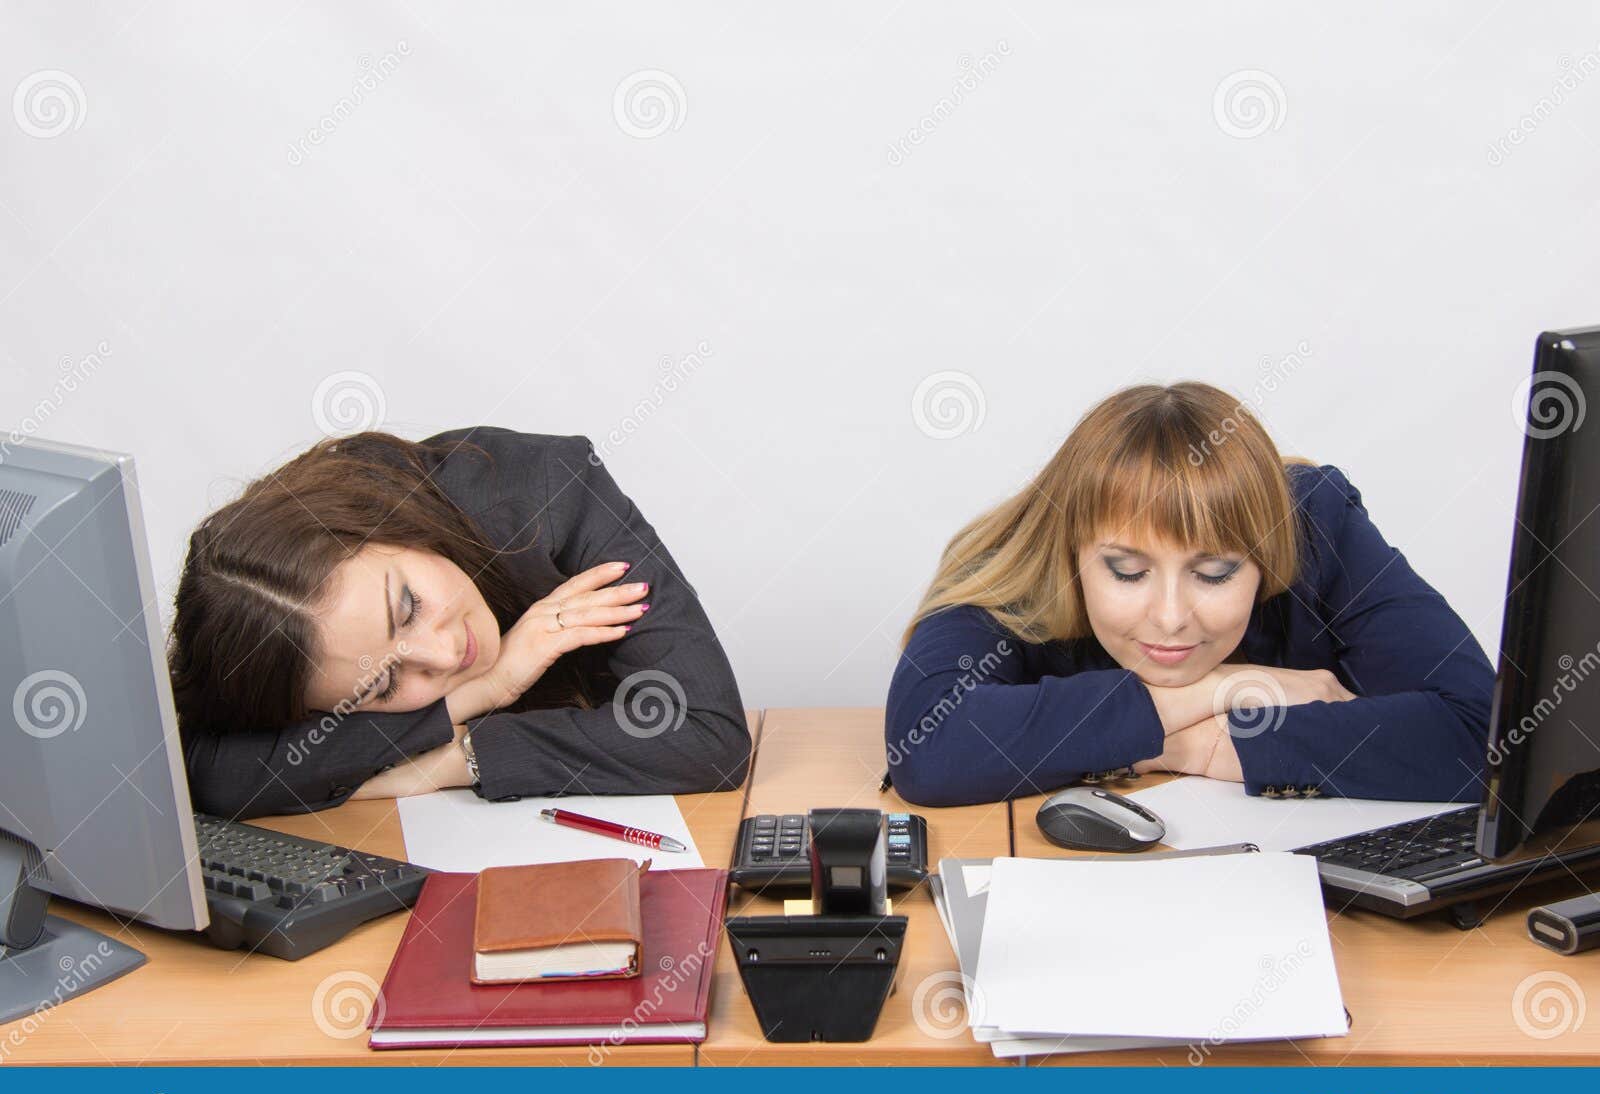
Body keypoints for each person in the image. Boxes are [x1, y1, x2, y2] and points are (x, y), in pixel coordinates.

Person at [884, 381, 1494, 807]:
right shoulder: (1018, 563)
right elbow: (928, 746)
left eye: (1215, 573)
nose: (1172, 618)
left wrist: (1199, 748)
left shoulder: (1314, 522)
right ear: (1072, 550)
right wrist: (1221, 688)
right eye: (1126, 572)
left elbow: (1484, 735)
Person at [170, 426, 749, 820]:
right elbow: (211, 776)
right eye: (384, 685)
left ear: (385, 524)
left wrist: (454, 761)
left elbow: (706, 734)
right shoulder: (294, 663)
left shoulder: (543, 489)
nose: (444, 655)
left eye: (408, 607)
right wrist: (481, 691)